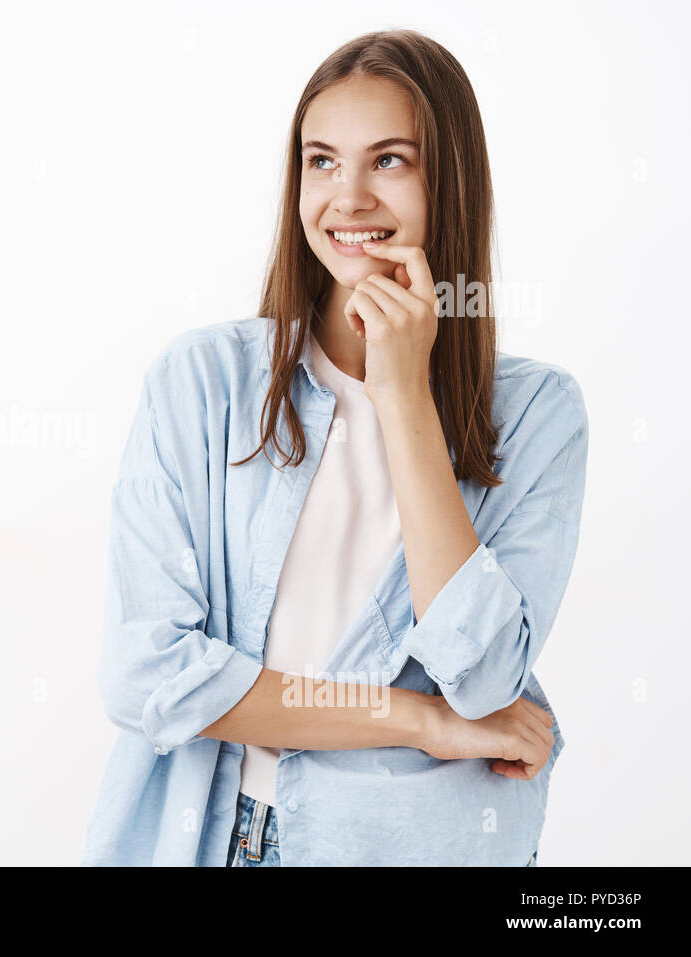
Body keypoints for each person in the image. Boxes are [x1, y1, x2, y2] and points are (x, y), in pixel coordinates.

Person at [81, 29, 586, 867]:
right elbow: (146, 672)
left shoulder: (538, 412)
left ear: (448, 181)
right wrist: (418, 719)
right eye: (321, 161)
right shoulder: (202, 384)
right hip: (210, 837)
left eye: (389, 160)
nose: (347, 198)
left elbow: (486, 675)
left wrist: (402, 395)